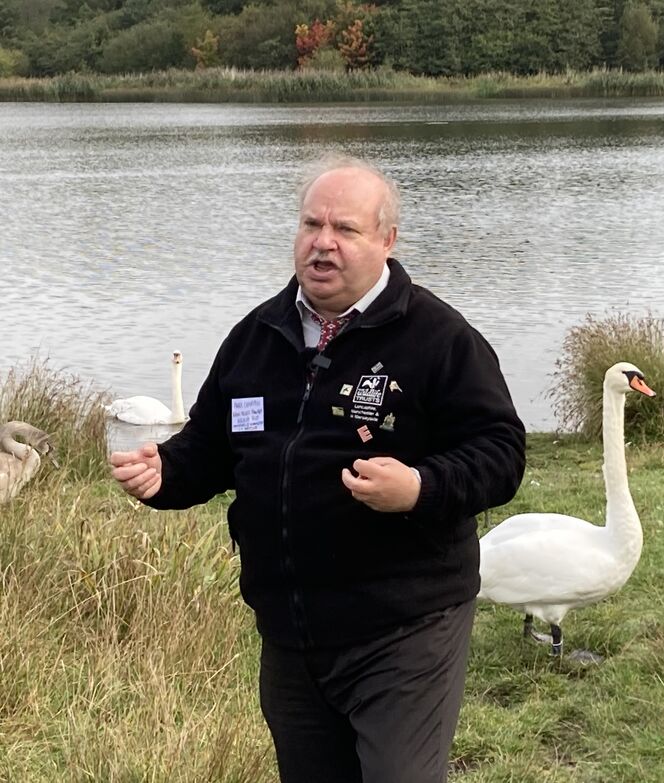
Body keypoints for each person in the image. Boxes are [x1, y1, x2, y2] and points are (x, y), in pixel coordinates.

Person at [110, 155, 527, 782]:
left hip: (405, 627)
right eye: (311, 225)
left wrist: (419, 487)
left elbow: (500, 453)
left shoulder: (438, 339)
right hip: (290, 632)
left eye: (346, 230)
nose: (323, 244)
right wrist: (163, 473)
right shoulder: (258, 336)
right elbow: (210, 450)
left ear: (387, 241)